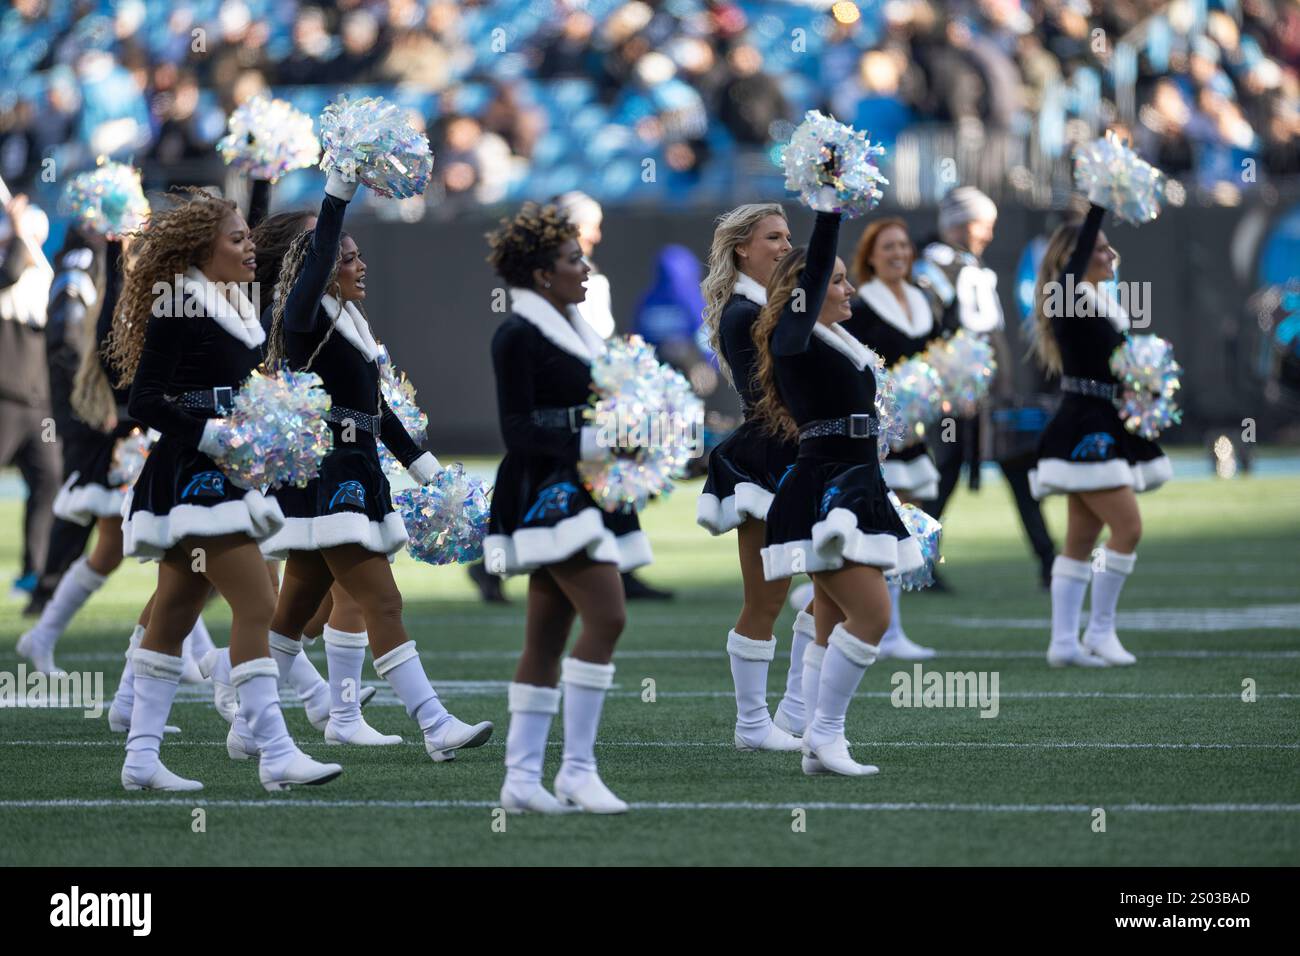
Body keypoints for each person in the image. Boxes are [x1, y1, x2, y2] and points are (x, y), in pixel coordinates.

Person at [108, 187, 340, 791]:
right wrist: (214, 435)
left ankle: (140, 761)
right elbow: (145, 400)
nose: (249, 247)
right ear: (202, 251)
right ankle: (275, 751)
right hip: (197, 476)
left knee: (176, 613)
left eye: (248, 237)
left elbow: (306, 269)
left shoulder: (233, 301)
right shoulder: (178, 303)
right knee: (259, 608)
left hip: (223, 472)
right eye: (236, 239)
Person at [256, 170, 493, 757]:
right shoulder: (301, 318)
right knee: (381, 599)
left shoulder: (347, 324)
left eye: (361, 256)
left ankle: (246, 716)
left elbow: (377, 410)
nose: (361, 266)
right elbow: (319, 251)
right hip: (331, 476)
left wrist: (429, 472)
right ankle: (436, 726)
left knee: (294, 615)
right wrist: (339, 188)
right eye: (348, 257)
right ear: (316, 266)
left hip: (356, 468)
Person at [485, 202, 650, 813]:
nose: (585, 267)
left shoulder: (580, 327)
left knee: (547, 636)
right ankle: (576, 771)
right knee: (608, 616)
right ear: (540, 274)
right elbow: (517, 429)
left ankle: (522, 781)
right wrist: (598, 440)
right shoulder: (517, 333)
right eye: (572, 259)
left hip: (588, 484)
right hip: (548, 489)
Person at [752, 209, 921, 777]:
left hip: (855, 484)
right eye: (838, 279)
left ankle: (819, 741)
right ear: (809, 290)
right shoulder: (792, 335)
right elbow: (817, 265)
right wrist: (828, 206)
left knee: (829, 624)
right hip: (824, 491)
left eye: (848, 278)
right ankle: (824, 735)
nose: (848, 287)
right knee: (871, 615)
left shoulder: (836, 338)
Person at [1029, 202, 1171, 667]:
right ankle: (1101, 630)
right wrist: (1097, 206)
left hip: (1105, 419)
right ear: (1080, 255)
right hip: (1085, 426)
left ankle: (1063, 643)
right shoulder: (1065, 296)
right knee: (1128, 528)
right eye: (1101, 249)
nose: (1111, 256)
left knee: (1079, 540)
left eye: (1112, 249)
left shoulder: (1103, 302)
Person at [696, 202, 808, 750]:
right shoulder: (745, 313)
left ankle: (797, 708)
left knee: (840, 586)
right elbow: (776, 399)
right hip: (767, 462)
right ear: (743, 248)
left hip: (810, 455)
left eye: (788, 236)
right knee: (766, 599)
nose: (786, 246)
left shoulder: (781, 304)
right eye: (773, 237)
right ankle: (752, 725)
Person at [914, 186, 1055, 588]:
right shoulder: (934, 269)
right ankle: (918, 562)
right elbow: (934, 333)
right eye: (983, 225)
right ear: (958, 225)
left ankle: (1049, 558)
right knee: (943, 476)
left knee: (1017, 469)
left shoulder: (970, 265)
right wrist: (954, 388)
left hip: (991, 397)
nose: (989, 235)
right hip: (957, 400)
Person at [844, 217, 941, 660]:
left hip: (915, 434)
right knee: (887, 526)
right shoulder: (861, 306)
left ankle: (888, 626)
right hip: (878, 433)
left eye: (903, 245)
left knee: (905, 526)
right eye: (888, 247)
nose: (898, 253)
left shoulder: (925, 301)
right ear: (870, 256)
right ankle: (884, 628)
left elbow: (938, 362)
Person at [0, 194, 59, 598]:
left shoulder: (43, 278)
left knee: (49, 478)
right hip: (3, 398)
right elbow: (9, 272)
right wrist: (17, 231)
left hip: (38, 404)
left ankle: (33, 571)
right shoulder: (10, 267)